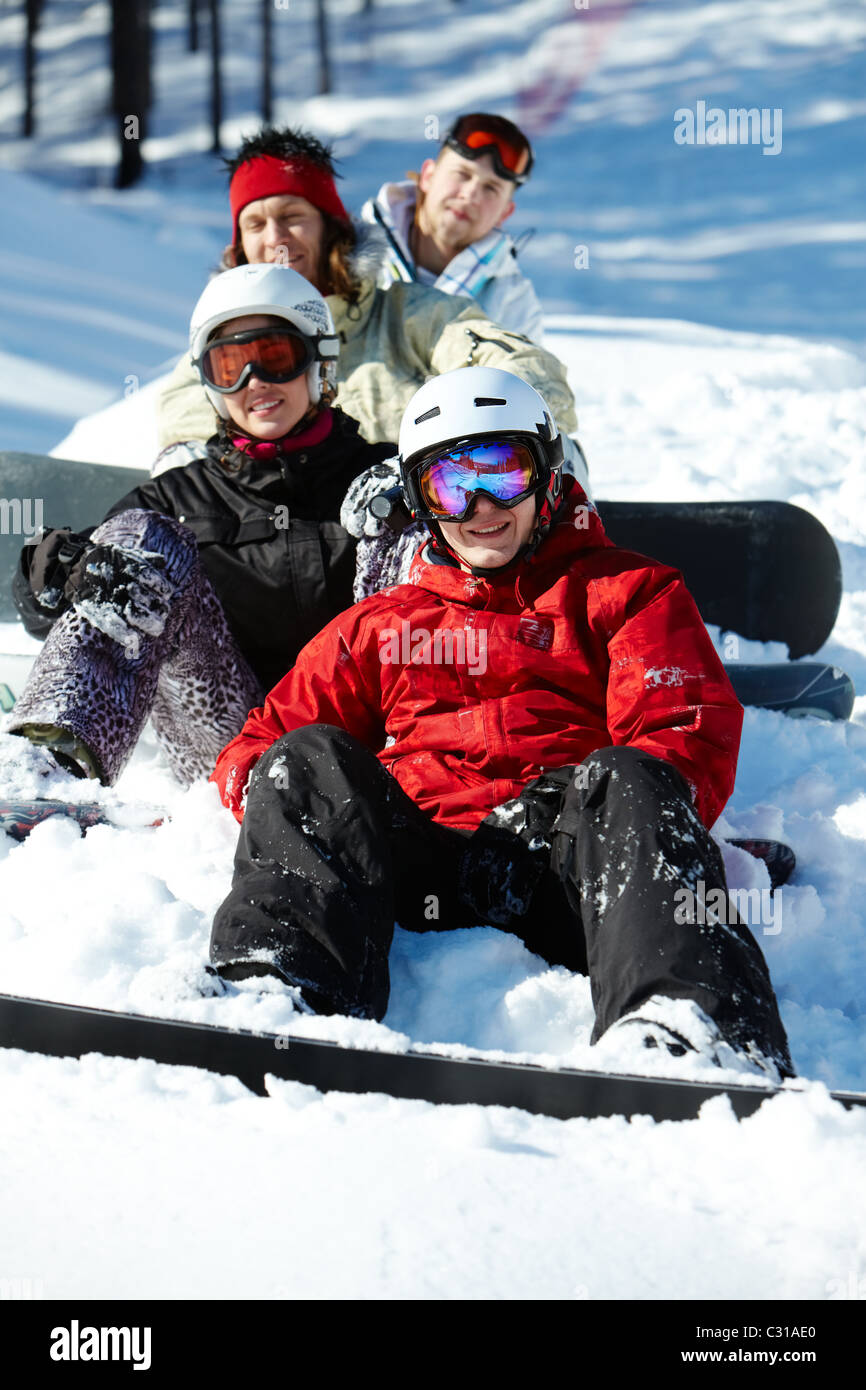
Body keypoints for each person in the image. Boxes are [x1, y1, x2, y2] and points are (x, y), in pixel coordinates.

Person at [208, 366, 794, 1079]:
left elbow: (685, 732)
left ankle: (693, 1023)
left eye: (502, 474)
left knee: (638, 773)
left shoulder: (626, 592)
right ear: (422, 502)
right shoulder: (383, 624)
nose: (480, 506)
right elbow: (256, 750)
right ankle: (279, 992)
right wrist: (311, 803)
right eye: (450, 486)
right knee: (306, 758)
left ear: (547, 475)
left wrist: (572, 794)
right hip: (415, 864)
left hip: (566, 873)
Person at [2, 265, 394, 787]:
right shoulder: (173, 500)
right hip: (228, 745)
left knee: (419, 499)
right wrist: (52, 582)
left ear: (318, 359)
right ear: (209, 382)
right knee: (137, 540)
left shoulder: (384, 474)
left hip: (380, 735)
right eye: (229, 364)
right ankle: (54, 772)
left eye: (275, 356)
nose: (254, 381)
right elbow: (70, 626)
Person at [156, 125, 588, 490]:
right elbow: (182, 415)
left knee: (554, 448)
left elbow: (520, 366)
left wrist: (439, 456)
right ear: (240, 247)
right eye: (255, 224)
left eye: (291, 216)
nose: (275, 238)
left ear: (331, 229)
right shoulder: (225, 345)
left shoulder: (404, 314)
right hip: (271, 552)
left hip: (416, 545)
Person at [362, 112, 544, 341]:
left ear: (504, 213)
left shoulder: (512, 303)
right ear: (428, 176)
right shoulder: (347, 255)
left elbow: (527, 374)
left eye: (491, 189)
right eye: (462, 174)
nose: (470, 195)